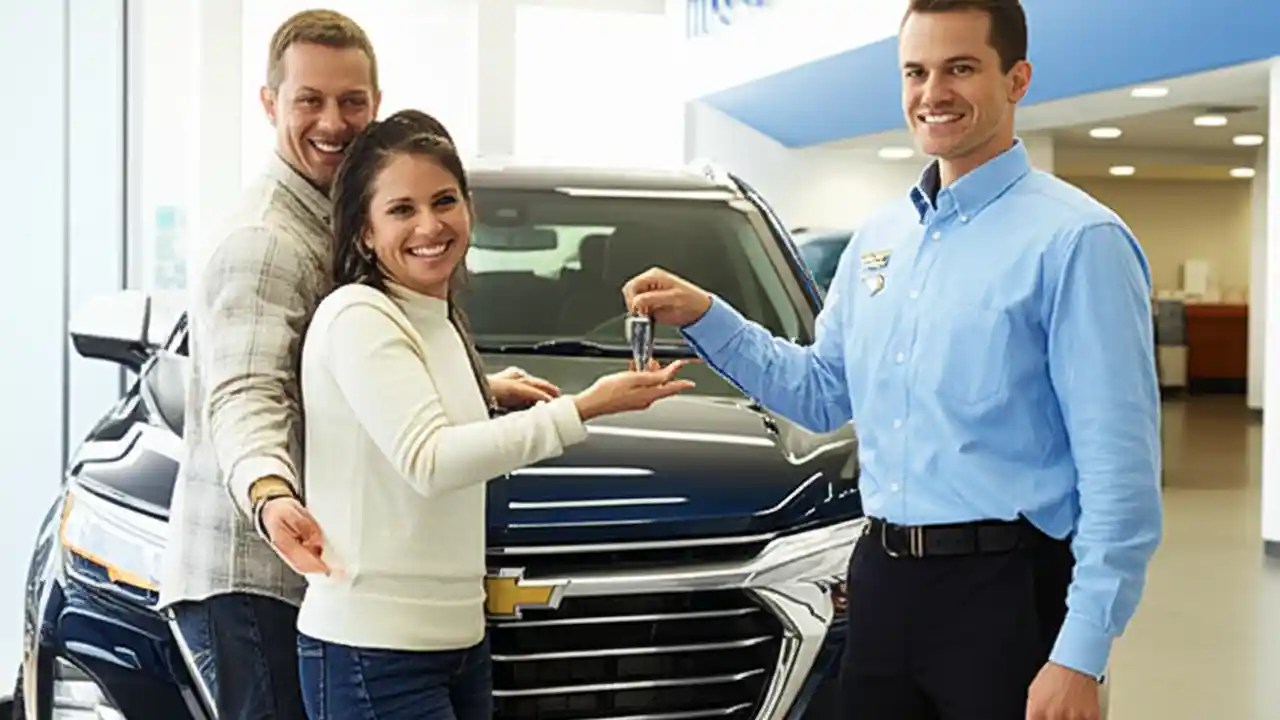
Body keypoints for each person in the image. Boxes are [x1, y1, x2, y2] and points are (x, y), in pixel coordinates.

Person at [622, 1, 1162, 719]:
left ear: (1017, 79)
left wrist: (1080, 655)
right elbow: (819, 393)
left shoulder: (1077, 241)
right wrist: (708, 317)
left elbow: (1121, 479)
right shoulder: (882, 238)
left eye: (960, 68)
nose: (932, 92)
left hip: (1006, 594)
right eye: (916, 71)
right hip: (881, 583)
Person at [290, 108, 694, 719]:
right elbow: (429, 459)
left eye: (444, 201)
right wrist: (585, 407)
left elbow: (414, 405)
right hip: (373, 651)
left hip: (456, 643)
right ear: (364, 232)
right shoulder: (358, 316)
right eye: (401, 209)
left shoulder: (436, 318)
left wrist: (484, 389)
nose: (430, 224)